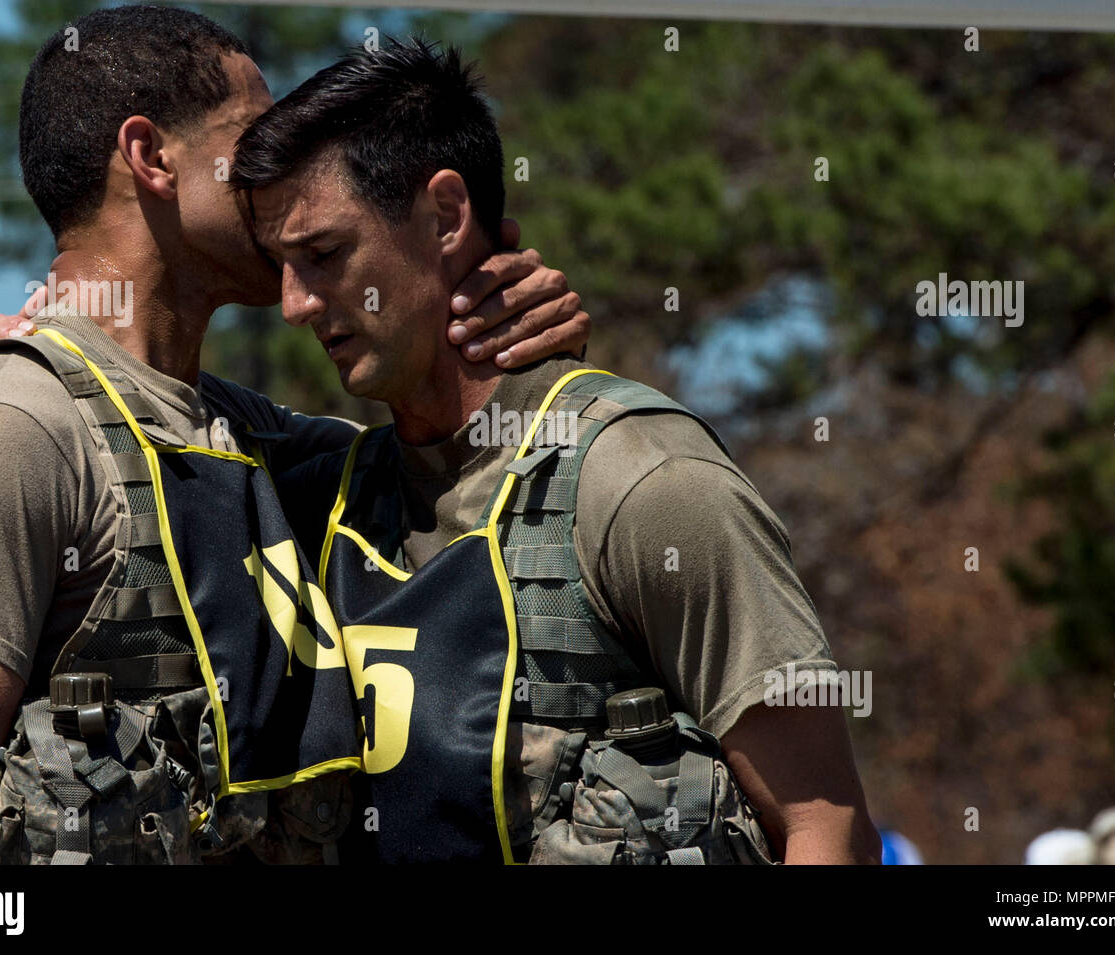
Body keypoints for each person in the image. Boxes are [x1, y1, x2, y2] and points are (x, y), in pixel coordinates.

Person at [0, 6, 589, 865]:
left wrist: (511, 332)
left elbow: (466, 479)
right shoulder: (3, 426)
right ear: (151, 158)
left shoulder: (262, 445)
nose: (278, 167)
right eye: (251, 139)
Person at [232, 39, 881, 863]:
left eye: (322, 255)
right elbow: (109, 388)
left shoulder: (642, 479)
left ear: (445, 215)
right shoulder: (310, 490)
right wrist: (15, 339)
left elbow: (827, 827)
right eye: (279, 266)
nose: (293, 304)